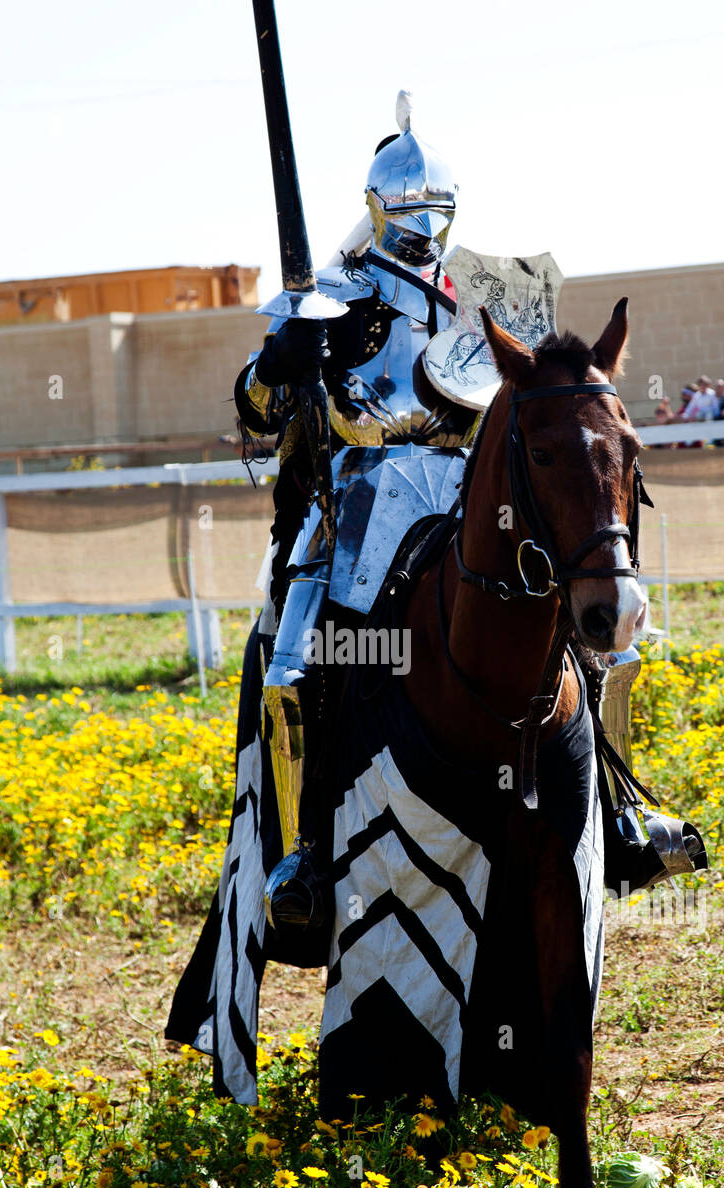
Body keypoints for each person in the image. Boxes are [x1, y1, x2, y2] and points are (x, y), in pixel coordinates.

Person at [235, 94, 478, 935]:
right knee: (291, 676)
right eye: (408, 213)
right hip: (348, 514)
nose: (421, 229)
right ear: (375, 207)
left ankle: (619, 807)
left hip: (464, 499)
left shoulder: (474, 297)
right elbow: (257, 419)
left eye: (434, 214)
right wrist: (278, 360)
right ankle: (305, 851)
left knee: (599, 626)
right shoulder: (327, 294)